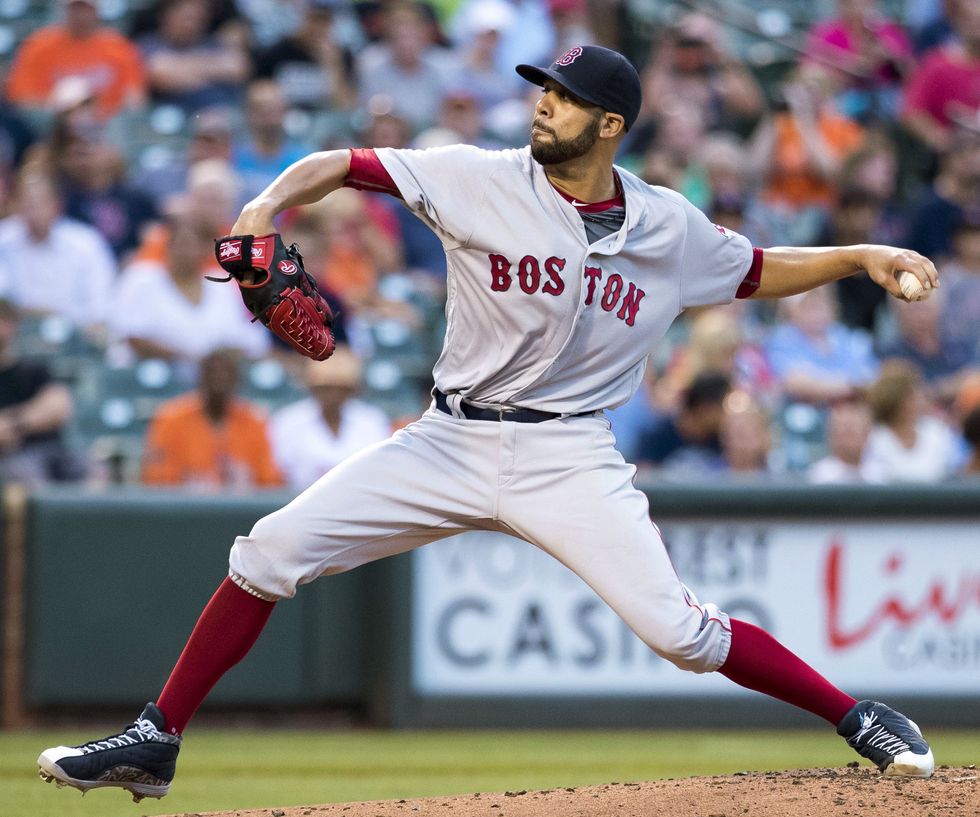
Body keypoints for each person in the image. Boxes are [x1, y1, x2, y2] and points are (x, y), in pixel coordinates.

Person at [37, 45, 937, 804]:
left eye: (565, 98)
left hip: (568, 453)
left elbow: (758, 269)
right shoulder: (479, 177)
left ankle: (856, 715)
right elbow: (344, 164)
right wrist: (259, 210)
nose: (543, 106)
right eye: (542, 91)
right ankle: (156, 738)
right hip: (447, 438)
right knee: (266, 551)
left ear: (610, 126)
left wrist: (862, 255)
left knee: (681, 634)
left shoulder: (669, 226)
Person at [142, 349, 283, 489]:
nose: (219, 379)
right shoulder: (171, 418)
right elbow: (157, 480)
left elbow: (269, 482)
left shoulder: (254, 421)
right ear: (200, 378)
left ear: (236, 380)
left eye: (225, 375)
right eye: (212, 374)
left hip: (243, 508)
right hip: (185, 508)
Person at [268, 346, 391, 490]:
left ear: (354, 390)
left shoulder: (373, 421)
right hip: (302, 502)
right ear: (312, 387)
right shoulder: (288, 420)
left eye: (342, 389)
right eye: (326, 388)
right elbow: (278, 474)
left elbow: (379, 471)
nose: (333, 395)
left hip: (359, 502)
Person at [5, 0, 146, 120]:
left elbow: (134, 100)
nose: (81, 16)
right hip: (53, 129)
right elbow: (23, 99)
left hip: (107, 129)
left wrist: (97, 117)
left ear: (97, 10)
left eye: (86, 9)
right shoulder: (38, 46)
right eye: (75, 9)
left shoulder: (118, 46)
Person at [0, 298, 82, 484]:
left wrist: (13, 422)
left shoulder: (33, 370)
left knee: (92, 472)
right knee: (23, 473)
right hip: (13, 460)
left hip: (51, 451)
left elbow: (59, 407)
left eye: (4, 319)